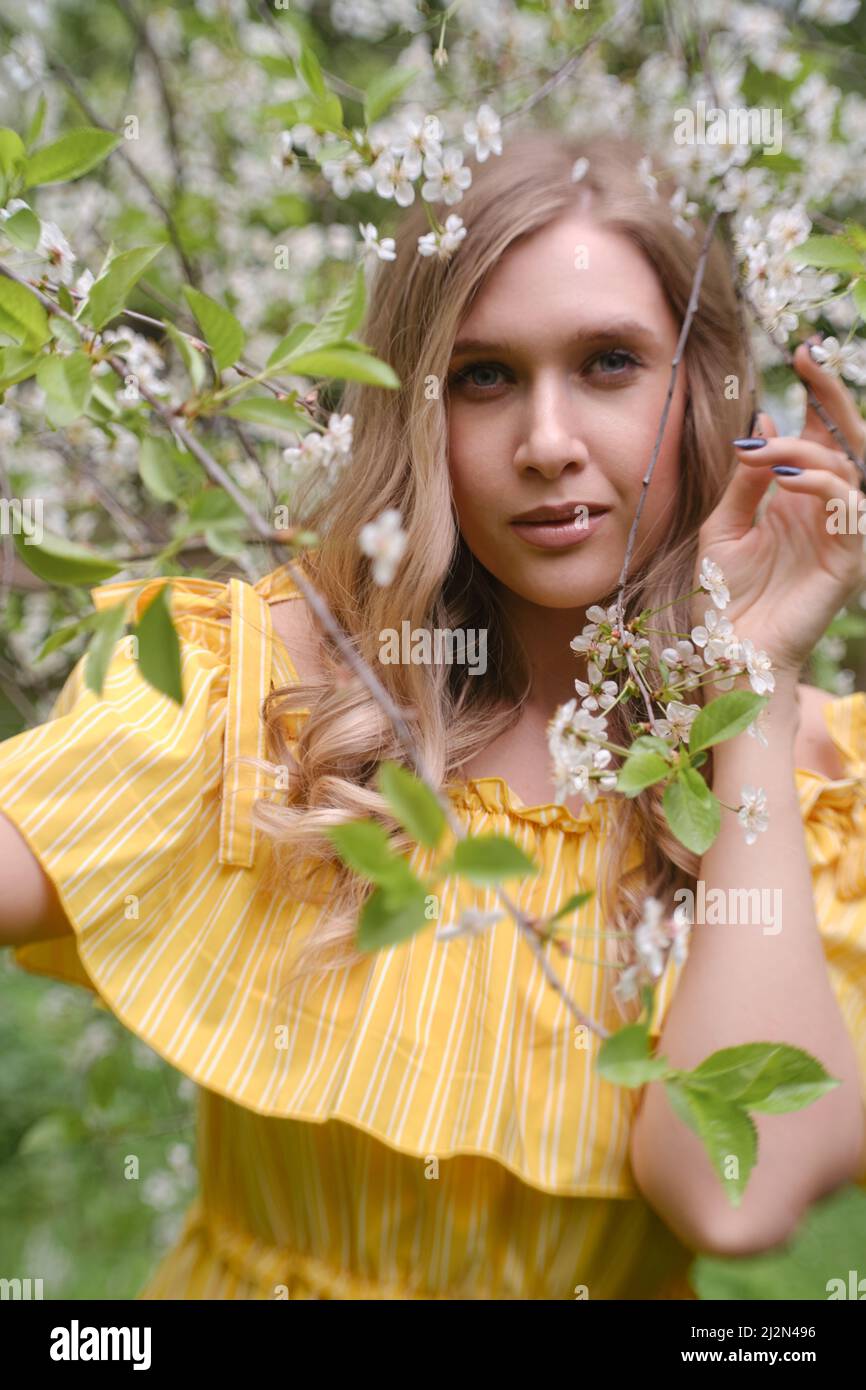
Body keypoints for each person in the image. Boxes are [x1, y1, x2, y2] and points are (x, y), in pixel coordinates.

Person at [2, 132, 866, 1301]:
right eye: (484, 376)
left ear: (701, 393)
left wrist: (747, 698)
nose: (547, 442)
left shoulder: (817, 792)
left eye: (608, 363)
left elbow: (733, 1194)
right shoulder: (274, 692)